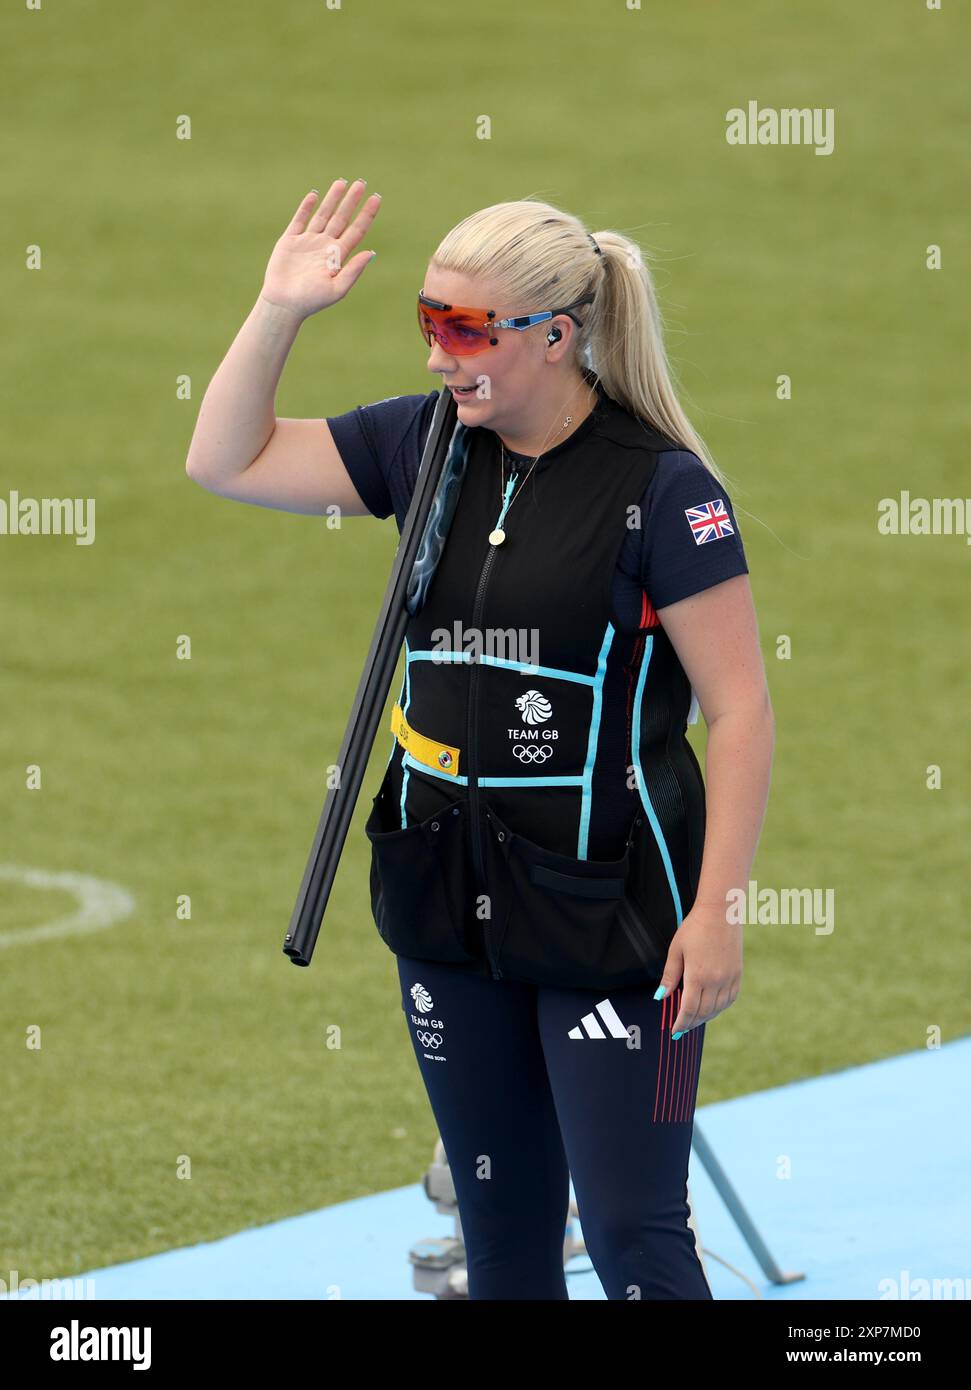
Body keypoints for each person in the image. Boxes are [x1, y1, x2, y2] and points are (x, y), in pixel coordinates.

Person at [186, 179, 775, 1300]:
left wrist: (717, 912)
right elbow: (226, 460)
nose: (436, 358)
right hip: (446, 896)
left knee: (631, 1236)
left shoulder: (664, 491)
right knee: (502, 1244)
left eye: (464, 331)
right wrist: (278, 310)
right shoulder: (423, 445)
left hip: (614, 909)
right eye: (426, 323)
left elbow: (740, 709)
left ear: (554, 338)